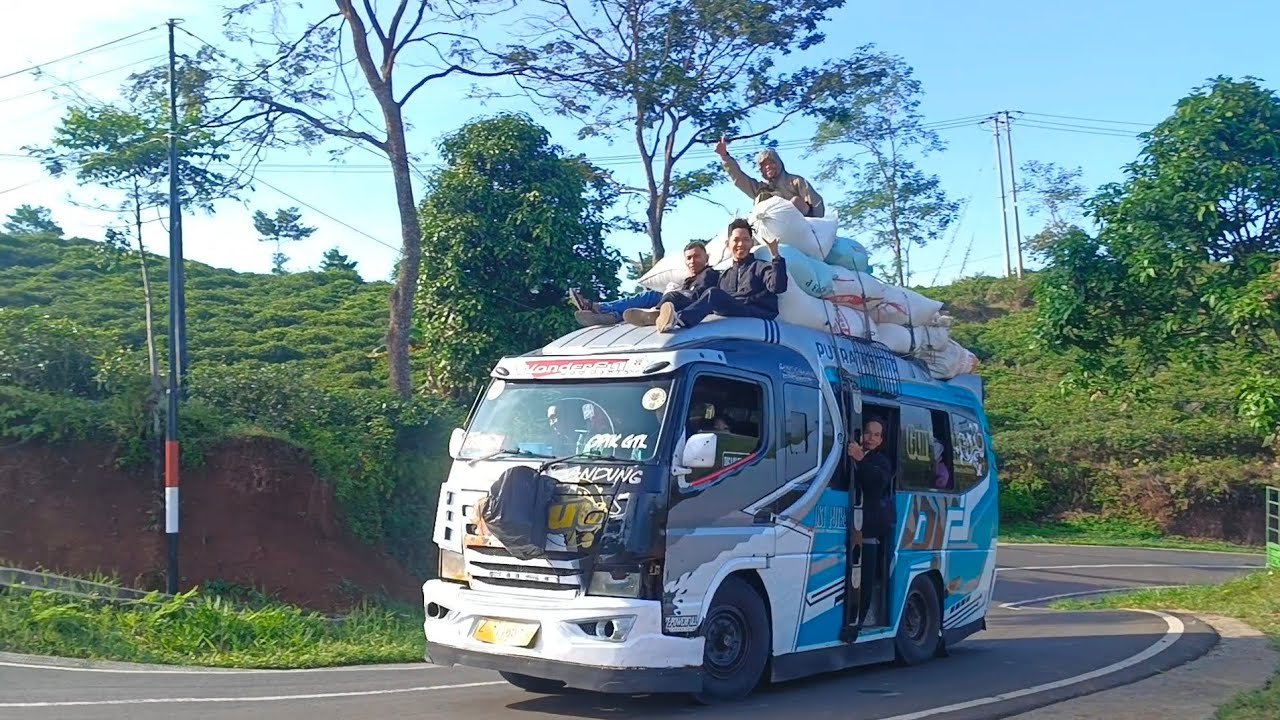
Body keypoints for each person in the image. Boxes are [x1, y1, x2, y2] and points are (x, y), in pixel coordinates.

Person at [626, 219, 787, 333]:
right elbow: (701, 298)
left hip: (754, 311)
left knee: (712, 294)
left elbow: (778, 287)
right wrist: (678, 298)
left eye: (745, 240)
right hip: (732, 309)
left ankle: (679, 319)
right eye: (736, 240)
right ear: (728, 244)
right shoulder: (726, 275)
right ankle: (657, 313)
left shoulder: (759, 266)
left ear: (751, 243)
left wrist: (776, 256)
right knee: (678, 295)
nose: (740, 244)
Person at [568, 242, 720, 327]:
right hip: (677, 301)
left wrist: (674, 294)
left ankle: (603, 308)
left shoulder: (709, 273)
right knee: (649, 295)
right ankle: (609, 313)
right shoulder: (688, 279)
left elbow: (699, 296)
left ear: (706, 258)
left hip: (685, 305)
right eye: (689, 258)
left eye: (697, 257)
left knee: (653, 295)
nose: (693, 261)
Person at [716, 136, 825, 218]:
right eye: (763, 165)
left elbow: (816, 204)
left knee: (796, 201)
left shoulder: (795, 181)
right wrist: (724, 156)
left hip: (802, 225)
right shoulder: (760, 189)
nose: (768, 167)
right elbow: (739, 178)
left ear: (779, 163)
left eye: (771, 162)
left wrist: (816, 227)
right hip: (773, 228)